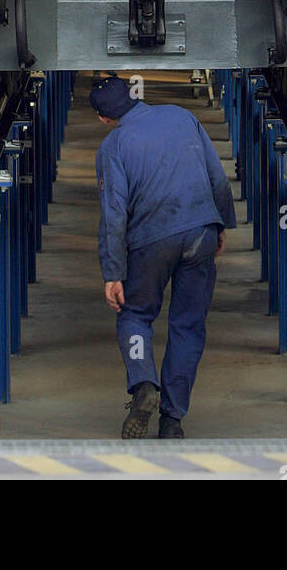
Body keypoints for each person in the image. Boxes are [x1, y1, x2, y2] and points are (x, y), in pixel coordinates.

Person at [91, 74, 237, 439]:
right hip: (199, 232)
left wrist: (113, 272)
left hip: (151, 242)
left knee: (135, 314)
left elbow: (114, 215)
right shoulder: (181, 116)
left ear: (102, 118)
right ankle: (172, 420)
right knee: (187, 326)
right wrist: (219, 225)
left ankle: (143, 383)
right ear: (135, 96)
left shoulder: (112, 147)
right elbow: (217, 178)